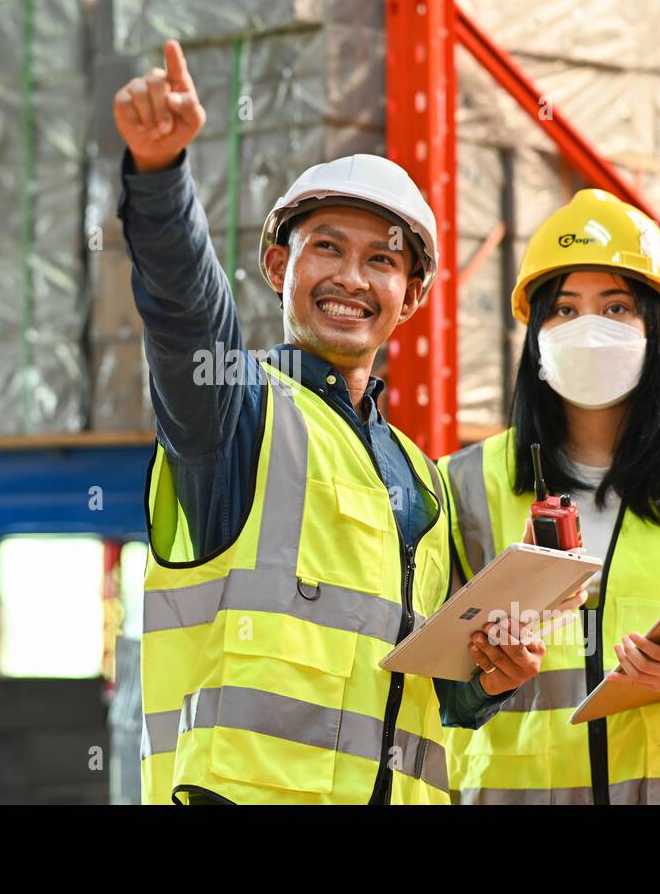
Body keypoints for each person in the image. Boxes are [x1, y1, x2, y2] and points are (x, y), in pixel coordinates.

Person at [114, 40, 544, 805]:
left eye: (381, 260)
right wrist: (161, 181)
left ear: (410, 297)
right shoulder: (235, 416)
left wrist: (485, 682)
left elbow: (420, 690)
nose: (351, 277)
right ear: (280, 269)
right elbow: (185, 314)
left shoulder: (423, 481)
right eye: (327, 249)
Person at [438, 189, 660, 805]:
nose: (591, 329)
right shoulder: (464, 481)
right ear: (537, 337)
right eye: (566, 309)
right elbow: (436, 672)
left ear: (654, 329)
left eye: (617, 307)